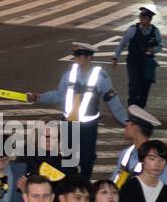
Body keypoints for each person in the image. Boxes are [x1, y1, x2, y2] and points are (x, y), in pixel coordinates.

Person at [29, 42, 126, 180]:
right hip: (69, 124)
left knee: (87, 160)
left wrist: (125, 120)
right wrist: (39, 97)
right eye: (76, 56)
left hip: (88, 127)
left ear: (89, 58)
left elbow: (112, 99)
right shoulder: (70, 75)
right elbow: (59, 94)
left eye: (81, 56)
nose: (77, 58)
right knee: (68, 159)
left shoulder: (101, 77)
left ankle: (84, 186)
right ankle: (68, 188)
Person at [111, 7, 162, 108]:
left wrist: (154, 49)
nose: (142, 19)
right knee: (134, 84)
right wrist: (115, 57)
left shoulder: (155, 31)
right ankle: (132, 107)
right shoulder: (133, 29)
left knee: (145, 85)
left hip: (147, 62)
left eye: (144, 18)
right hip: (133, 61)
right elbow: (123, 43)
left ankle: (141, 108)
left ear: (150, 19)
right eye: (141, 17)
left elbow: (160, 44)